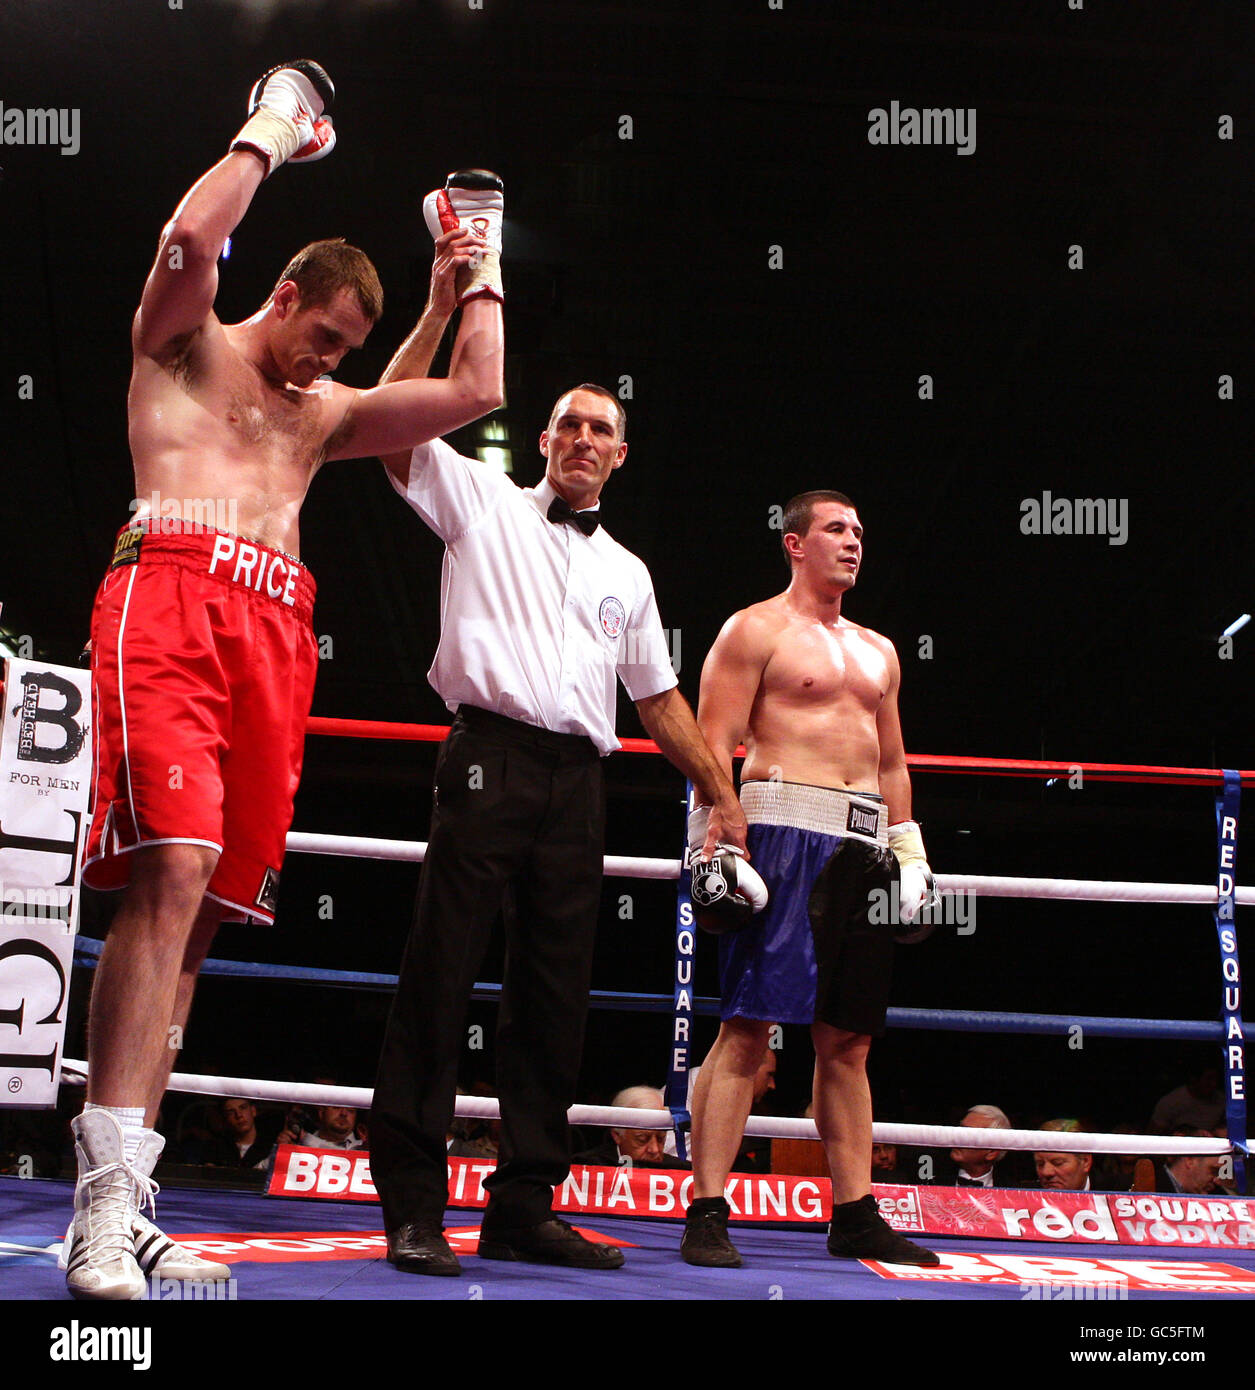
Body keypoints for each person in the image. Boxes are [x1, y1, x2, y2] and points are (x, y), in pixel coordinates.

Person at [66, 63, 504, 1301]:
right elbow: (187, 235)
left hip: (273, 636)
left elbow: (472, 393)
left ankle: (132, 1190)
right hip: (169, 586)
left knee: (204, 915)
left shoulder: (315, 417)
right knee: (174, 872)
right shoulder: (183, 343)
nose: (328, 363)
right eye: (324, 333)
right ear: (286, 291)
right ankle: (98, 1202)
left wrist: (477, 261)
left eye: (348, 352)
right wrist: (275, 123)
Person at [370, 344, 747, 1274]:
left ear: (620, 455)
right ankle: (413, 1206)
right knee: (441, 975)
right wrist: (440, 306)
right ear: (542, 440)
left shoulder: (629, 571)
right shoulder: (481, 500)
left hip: (580, 781)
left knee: (553, 996)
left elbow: (656, 699)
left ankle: (523, 1204)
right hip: (485, 758)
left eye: (601, 430)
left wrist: (722, 795)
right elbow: (386, 420)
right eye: (569, 424)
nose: (583, 438)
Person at [680, 490, 940, 1269]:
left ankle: (854, 1212)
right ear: (794, 543)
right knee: (749, 1027)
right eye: (835, 529)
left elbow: (890, 761)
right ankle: (705, 1209)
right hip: (780, 830)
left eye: (859, 530)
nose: (852, 542)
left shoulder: (880, 649)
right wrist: (710, 843)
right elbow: (710, 740)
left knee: (850, 1043)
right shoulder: (754, 629)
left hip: (862, 846)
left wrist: (909, 849)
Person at [1034, 1119, 1093, 1191]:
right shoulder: (1023, 1195)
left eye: (1057, 1163)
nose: (1046, 1172)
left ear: (1085, 1161)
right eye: (1040, 1164)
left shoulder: (1109, 1193)